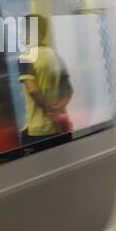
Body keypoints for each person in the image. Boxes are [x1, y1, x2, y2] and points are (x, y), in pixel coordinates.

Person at [17, 13, 73, 149]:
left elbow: (33, 91)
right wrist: (58, 110)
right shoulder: (54, 55)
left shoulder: (26, 56)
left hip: (37, 130)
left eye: (23, 29)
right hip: (59, 128)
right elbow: (68, 90)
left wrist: (50, 111)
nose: (21, 33)